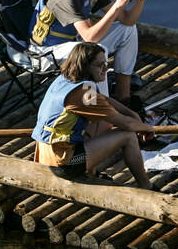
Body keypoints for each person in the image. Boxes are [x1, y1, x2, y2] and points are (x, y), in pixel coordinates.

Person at [33, 42, 159, 189]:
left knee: (104, 122)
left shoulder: (66, 79)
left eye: (106, 63)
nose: (106, 69)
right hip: (63, 164)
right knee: (128, 136)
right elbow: (127, 125)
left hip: (46, 153)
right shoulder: (82, 94)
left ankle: (91, 171)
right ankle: (147, 186)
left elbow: (103, 99)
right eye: (100, 65)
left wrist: (131, 113)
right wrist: (147, 128)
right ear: (85, 66)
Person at [30, 0, 147, 106]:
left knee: (127, 31)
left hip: (72, 44)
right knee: (96, 51)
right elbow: (90, 37)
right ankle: (103, 108)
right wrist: (117, 6)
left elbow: (128, 20)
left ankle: (122, 96)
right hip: (45, 53)